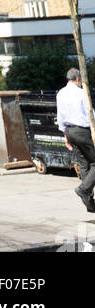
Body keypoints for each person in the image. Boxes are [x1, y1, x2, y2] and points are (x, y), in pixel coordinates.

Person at [57, 67, 95, 213]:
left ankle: (89, 203)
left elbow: (60, 117)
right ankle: (84, 190)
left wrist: (65, 136)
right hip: (82, 131)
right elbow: (90, 112)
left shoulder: (60, 93)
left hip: (70, 131)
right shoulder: (81, 93)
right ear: (78, 79)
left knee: (84, 164)